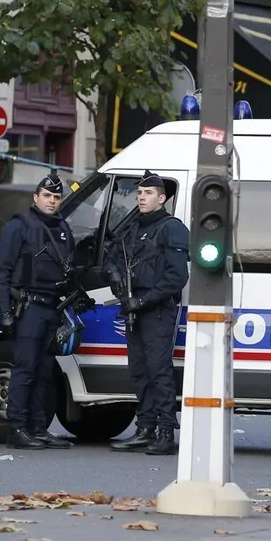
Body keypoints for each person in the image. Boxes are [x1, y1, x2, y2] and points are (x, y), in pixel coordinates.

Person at [0, 172, 78, 450]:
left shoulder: (63, 228)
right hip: (27, 308)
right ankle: (17, 428)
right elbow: (0, 273)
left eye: (56, 197)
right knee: (25, 369)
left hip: (52, 308)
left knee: (44, 371)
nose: (52, 201)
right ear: (36, 197)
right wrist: (4, 311)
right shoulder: (18, 227)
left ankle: (38, 428)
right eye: (47, 196)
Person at [106, 170, 190, 455]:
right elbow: (113, 258)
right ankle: (145, 428)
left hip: (156, 310)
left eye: (148, 193)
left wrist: (142, 303)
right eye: (140, 193)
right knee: (140, 371)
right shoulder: (132, 228)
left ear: (162, 198)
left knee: (158, 371)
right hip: (133, 308)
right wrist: (115, 276)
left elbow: (176, 277)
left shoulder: (171, 228)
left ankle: (165, 431)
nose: (142, 197)